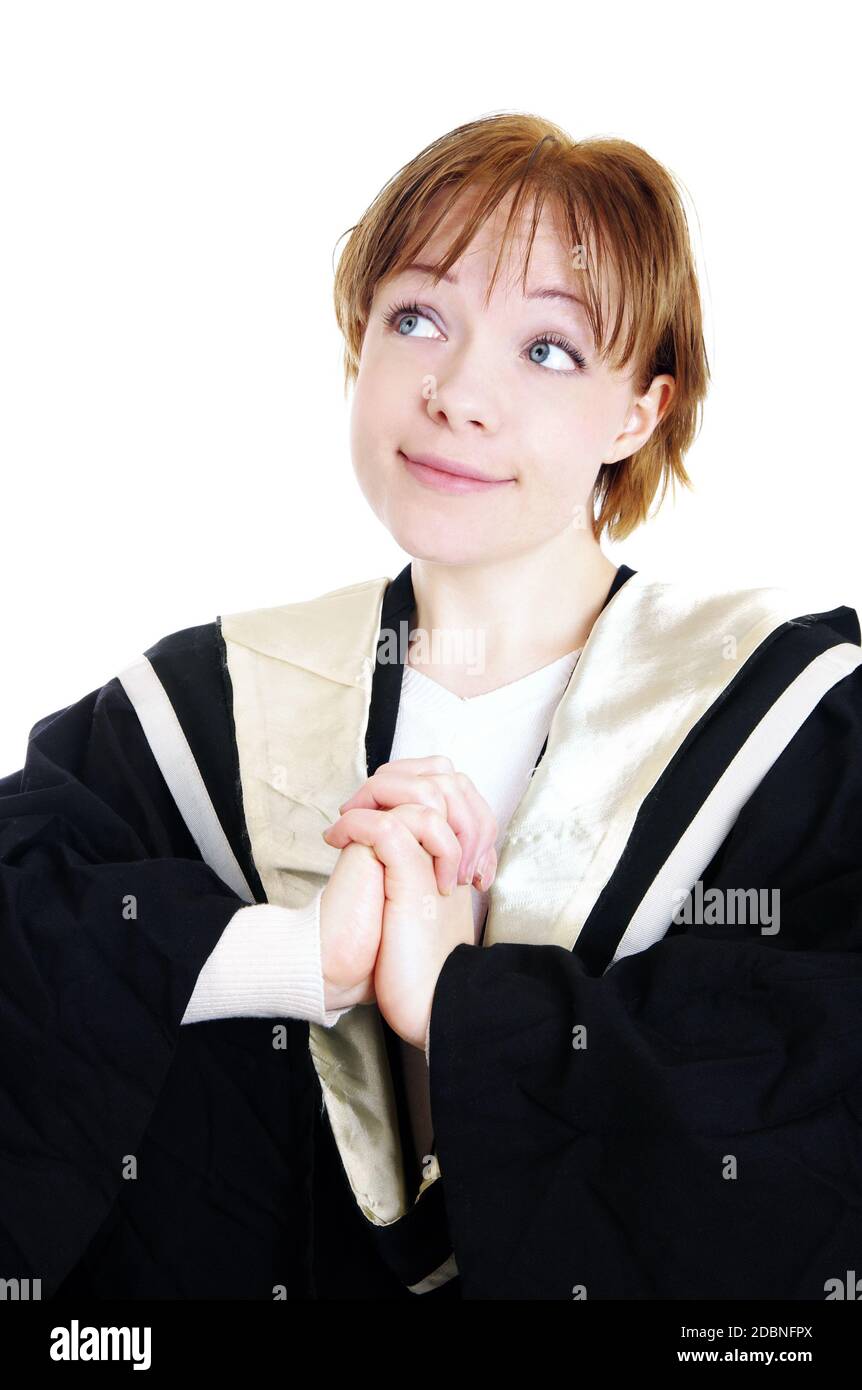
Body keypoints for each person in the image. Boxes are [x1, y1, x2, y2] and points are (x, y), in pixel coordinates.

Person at [2, 112, 861, 1302]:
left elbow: (814, 1096)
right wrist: (299, 957)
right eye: (418, 317)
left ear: (639, 412)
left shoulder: (794, 722)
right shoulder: (196, 709)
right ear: (361, 339)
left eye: (548, 349)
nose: (457, 394)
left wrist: (469, 1010)